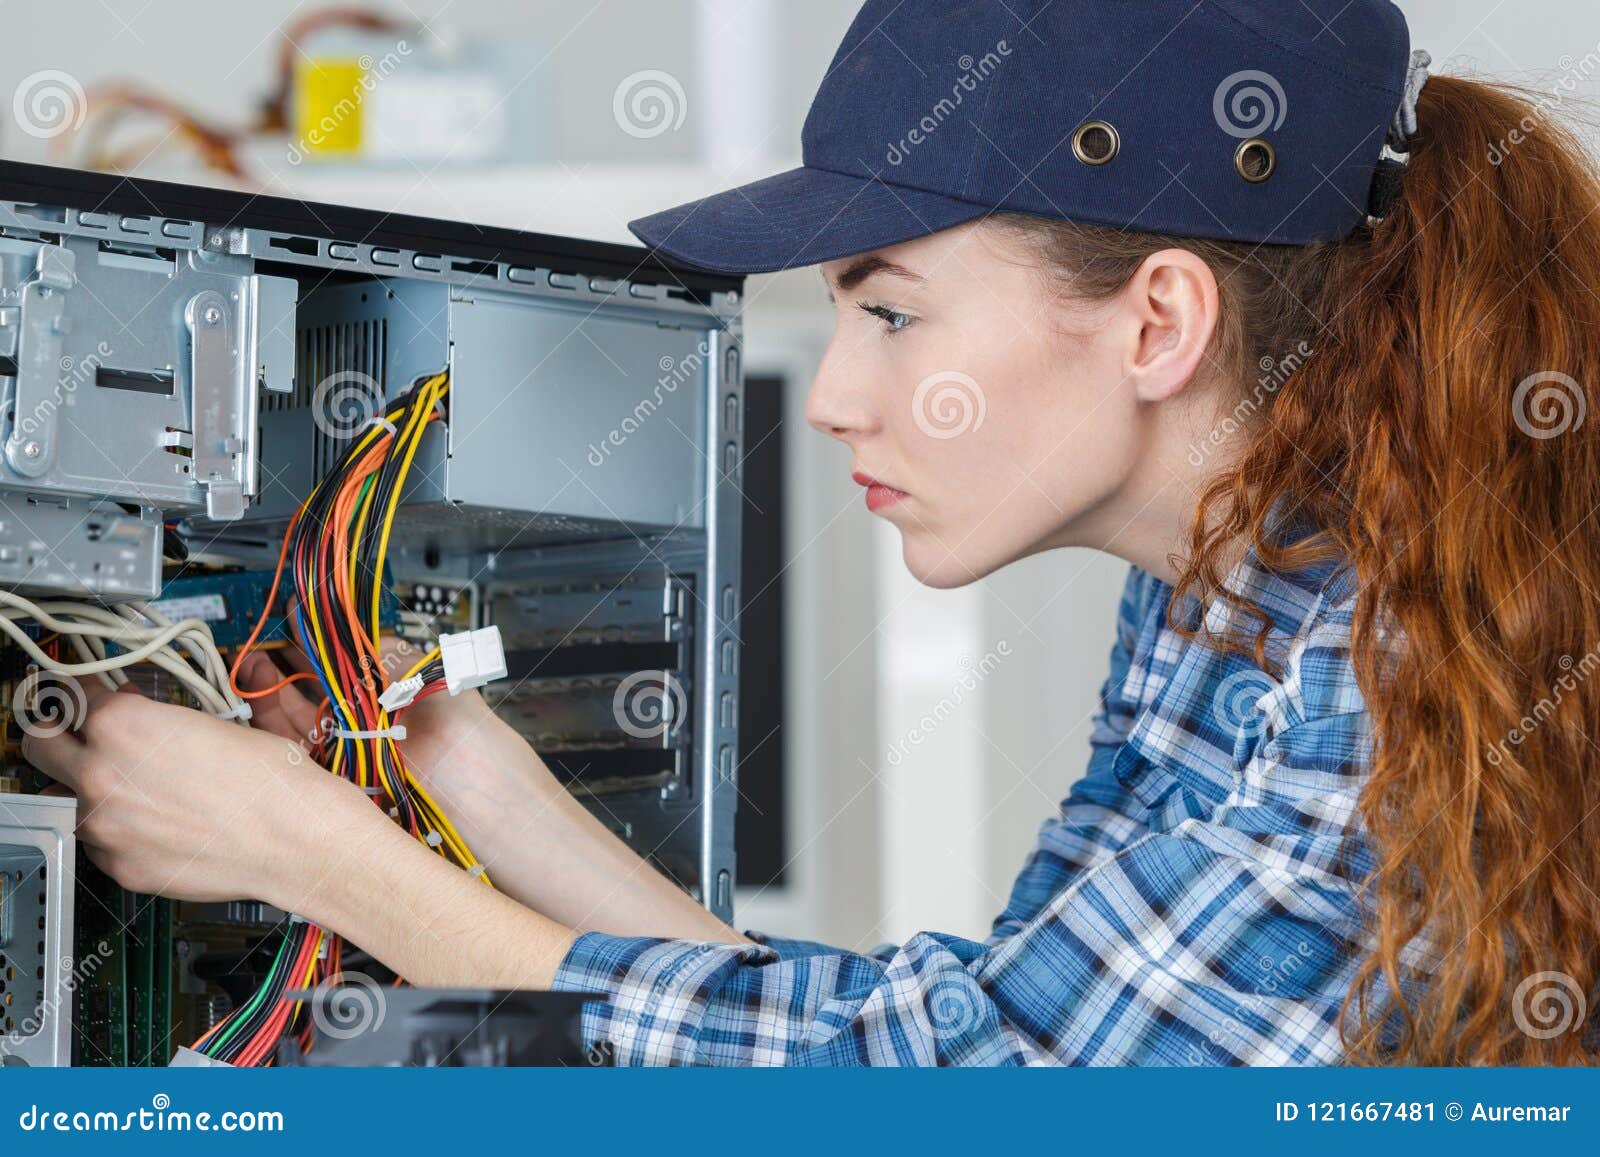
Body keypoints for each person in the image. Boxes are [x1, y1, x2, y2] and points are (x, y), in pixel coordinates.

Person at [28, 0, 1600, 1065]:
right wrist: (469, 785)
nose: (837, 396)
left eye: (894, 314)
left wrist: (326, 863)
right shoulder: (1229, 587)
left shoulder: (1370, 669)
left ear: (1159, 321)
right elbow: (955, 1040)